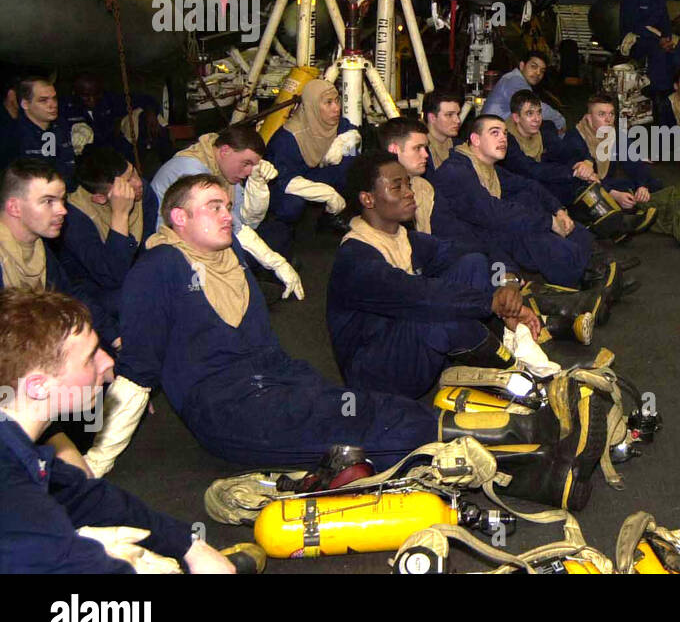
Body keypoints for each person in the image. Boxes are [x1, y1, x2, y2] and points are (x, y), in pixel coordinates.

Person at [86, 173, 448, 474]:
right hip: (229, 411)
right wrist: (94, 464)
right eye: (214, 208)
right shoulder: (157, 269)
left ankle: (463, 433)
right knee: (386, 433)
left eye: (228, 206)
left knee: (383, 408)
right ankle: (462, 444)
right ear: (180, 218)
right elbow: (135, 377)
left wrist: (313, 388)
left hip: (279, 384)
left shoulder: (231, 257)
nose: (228, 215)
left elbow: (266, 348)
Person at [0, 288, 235, 574]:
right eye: (89, 358)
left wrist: (189, 545)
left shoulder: (19, 444)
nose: (107, 362)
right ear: (38, 386)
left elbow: (87, 498)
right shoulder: (14, 495)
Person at [326, 153, 538, 399]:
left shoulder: (405, 238)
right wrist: (491, 302)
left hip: (404, 335)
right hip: (375, 373)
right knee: (441, 317)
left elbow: (473, 249)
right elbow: (417, 295)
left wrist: (507, 282)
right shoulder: (354, 259)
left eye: (408, 183)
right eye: (397, 187)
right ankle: (514, 374)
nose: (409, 192)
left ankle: (500, 341)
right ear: (368, 199)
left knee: (473, 264)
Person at [431, 115, 619, 293]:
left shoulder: (487, 168)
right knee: (526, 224)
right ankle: (586, 274)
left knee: (527, 201)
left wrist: (558, 210)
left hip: (487, 234)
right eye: (494, 133)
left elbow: (529, 185)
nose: (503, 139)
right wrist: (548, 221)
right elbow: (491, 212)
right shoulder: (456, 170)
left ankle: (596, 261)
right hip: (465, 247)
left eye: (505, 133)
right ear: (475, 139)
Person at [149, 123, 301, 301]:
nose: (247, 171)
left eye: (252, 166)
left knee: (278, 231)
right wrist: (277, 263)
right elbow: (235, 227)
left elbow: (247, 220)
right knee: (241, 247)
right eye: (246, 164)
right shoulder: (192, 170)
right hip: (176, 245)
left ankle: (249, 281)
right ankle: (241, 288)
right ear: (225, 151)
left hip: (205, 232)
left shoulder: (223, 168)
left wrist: (256, 183)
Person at [501, 90, 654, 240]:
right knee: (574, 182)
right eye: (529, 114)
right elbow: (530, 169)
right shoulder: (506, 141)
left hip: (548, 178)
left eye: (539, 113)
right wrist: (575, 172)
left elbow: (563, 152)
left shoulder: (545, 128)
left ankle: (615, 226)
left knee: (581, 179)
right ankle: (617, 223)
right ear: (516, 117)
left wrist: (585, 163)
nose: (536, 119)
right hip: (521, 189)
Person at [58, 147, 153, 346]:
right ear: (101, 198)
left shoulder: (144, 192)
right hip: (92, 291)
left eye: (133, 172)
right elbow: (111, 276)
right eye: (127, 184)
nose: (137, 183)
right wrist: (120, 216)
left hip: (133, 276)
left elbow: (147, 248)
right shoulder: (74, 217)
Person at [0, 159, 106, 339]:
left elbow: (69, 297)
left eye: (62, 200)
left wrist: (115, 337)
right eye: (48, 201)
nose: (63, 210)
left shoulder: (38, 246)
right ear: (14, 207)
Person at [262, 79, 360, 253]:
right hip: (282, 185)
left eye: (337, 100)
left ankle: (330, 217)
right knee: (291, 206)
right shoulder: (287, 139)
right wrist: (328, 194)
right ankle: (279, 244)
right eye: (328, 103)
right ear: (312, 105)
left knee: (352, 161)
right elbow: (284, 181)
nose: (336, 108)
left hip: (310, 174)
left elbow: (352, 132)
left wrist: (343, 142)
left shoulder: (334, 124)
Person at [553, 93, 663, 213]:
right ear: (589, 118)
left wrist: (642, 186)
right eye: (602, 114)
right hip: (579, 185)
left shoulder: (615, 135)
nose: (608, 119)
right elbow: (582, 177)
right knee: (584, 190)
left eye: (611, 114)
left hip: (605, 181)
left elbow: (635, 162)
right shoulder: (575, 137)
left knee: (652, 182)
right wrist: (613, 194)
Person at [624, 0, 680, 110]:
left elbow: (665, 24)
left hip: (658, 40)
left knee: (678, 51)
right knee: (659, 53)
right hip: (636, 39)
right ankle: (657, 93)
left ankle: (673, 93)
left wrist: (667, 40)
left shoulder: (660, 0)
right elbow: (631, 24)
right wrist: (658, 40)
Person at [482, 51, 566, 134]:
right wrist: (559, 120)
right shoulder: (514, 81)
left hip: (498, 129)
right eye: (534, 67)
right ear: (522, 66)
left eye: (542, 71)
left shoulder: (516, 79)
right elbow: (533, 107)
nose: (538, 73)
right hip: (491, 133)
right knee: (547, 126)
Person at [378, 116, 437, 233]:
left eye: (425, 148)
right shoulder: (378, 195)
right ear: (394, 150)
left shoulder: (422, 187)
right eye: (417, 148)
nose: (425, 154)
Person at [13, 77, 75, 182]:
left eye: (54, 98)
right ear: (25, 104)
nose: (53, 105)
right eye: (43, 100)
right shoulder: (13, 134)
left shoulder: (62, 127)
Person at [421, 90, 464, 170]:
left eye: (458, 114)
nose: (458, 120)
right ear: (432, 118)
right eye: (449, 115)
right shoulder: (420, 151)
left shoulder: (461, 146)